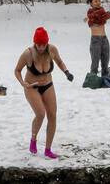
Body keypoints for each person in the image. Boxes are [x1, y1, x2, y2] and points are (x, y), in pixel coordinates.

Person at [14, 26, 72, 159]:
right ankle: (33, 139)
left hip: (48, 85)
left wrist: (66, 72)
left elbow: (59, 61)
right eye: (38, 44)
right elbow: (17, 70)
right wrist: (23, 83)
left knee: (52, 115)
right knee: (40, 114)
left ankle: (48, 149)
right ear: (35, 43)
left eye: (43, 44)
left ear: (47, 43)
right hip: (31, 87)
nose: (40, 47)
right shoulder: (28, 53)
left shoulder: (52, 50)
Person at [86, 0, 110, 78]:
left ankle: (105, 79)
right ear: (91, 3)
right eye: (95, 1)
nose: (98, 3)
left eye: (99, 1)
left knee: (106, 61)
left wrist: (104, 15)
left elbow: (107, 16)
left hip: (104, 39)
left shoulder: (102, 12)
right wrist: (104, 15)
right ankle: (93, 79)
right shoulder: (90, 12)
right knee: (95, 62)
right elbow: (96, 17)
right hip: (95, 40)